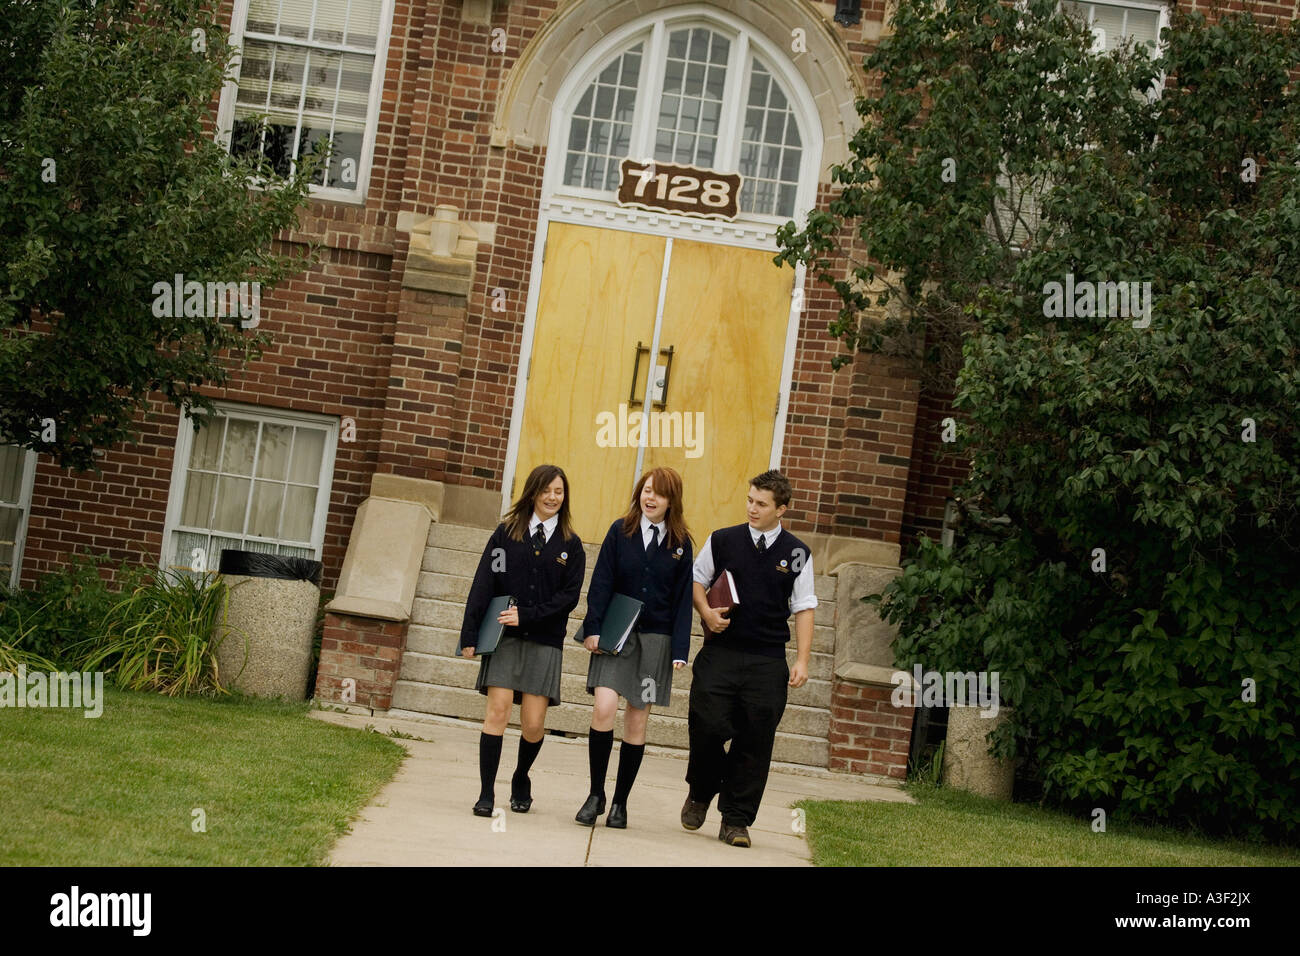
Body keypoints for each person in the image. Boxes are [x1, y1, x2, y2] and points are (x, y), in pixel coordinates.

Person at [682, 469, 816, 848]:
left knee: (755, 742)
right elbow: (696, 579)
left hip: (767, 660)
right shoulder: (723, 540)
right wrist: (706, 613)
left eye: (761, 504)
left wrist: (802, 660)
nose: (752, 509)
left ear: (781, 510)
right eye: (750, 500)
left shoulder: (796, 553)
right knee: (706, 727)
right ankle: (701, 791)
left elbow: (804, 608)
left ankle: (736, 821)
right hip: (721, 653)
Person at [459, 464, 585, 817]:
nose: (552, 497)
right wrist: (470, 634)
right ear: (532, 492)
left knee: (532, 724)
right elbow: (484, 582)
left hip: (545, 642)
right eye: (546, 490)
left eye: (559, 492)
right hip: (504, 639)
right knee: (497, 712)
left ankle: (521, 776)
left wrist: (528, 615)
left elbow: (569, 598)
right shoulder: (506, 535)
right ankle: (486, 793)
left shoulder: (570, 546)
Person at [574, 468, 693, 829]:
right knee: (604, 707)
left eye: (659, 494)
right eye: (646, 491)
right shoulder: (619, 531)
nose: (650, 498)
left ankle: (620, 804)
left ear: (672, 501)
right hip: (615, 635)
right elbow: (601, 582)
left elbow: (683, 599)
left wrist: (680, 649)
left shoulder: (682, 543)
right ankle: (596, 794)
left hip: (655, 643)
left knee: (637, 721)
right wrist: (593, 628)